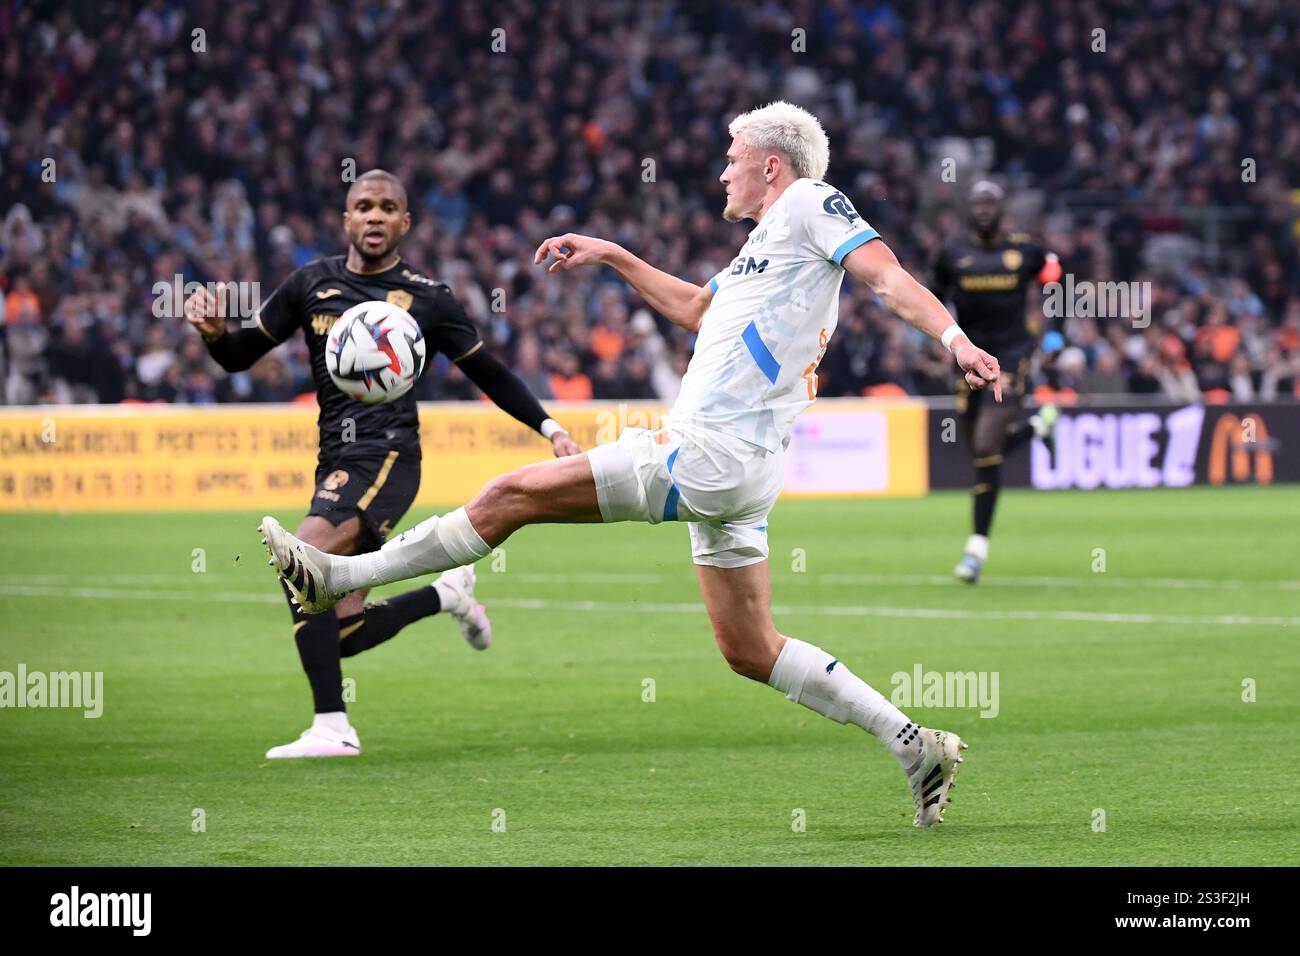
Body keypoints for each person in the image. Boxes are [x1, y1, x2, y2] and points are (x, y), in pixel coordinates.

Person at [259, 105, 1001, 827]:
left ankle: (342, 576)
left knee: (511, 494)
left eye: (733, 160)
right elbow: (692, 308)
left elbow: (886, 273)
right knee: (749, 649)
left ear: (771, 166)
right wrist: (611, 254)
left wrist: (955, 340)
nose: (722, 174)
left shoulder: (808, 201)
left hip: (709, 451)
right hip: (742, 469)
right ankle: (916, 745)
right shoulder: (765, 246)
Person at [185, 169, 580, 759]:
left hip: (391, 453)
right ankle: (446, 595)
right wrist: (216, 337)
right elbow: (242, 357)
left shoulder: (429, 298)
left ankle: (332, 727)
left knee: (304, 557)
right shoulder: (309, 284)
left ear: (405, 222)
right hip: (335, 459)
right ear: (346, 219)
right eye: (363, 206)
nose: (374, 216)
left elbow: (489, 372)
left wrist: (550, 428)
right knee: (339, 629)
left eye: (387, 207)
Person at [932, 180, 1060, 583]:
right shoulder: (952, 252)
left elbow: (1053, 280)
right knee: (981, 452)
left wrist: (1052, 331)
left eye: (990, 202)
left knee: (987, 448)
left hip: (1011, 356)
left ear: (1002, 208)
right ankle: (1038, 428)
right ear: (968, 209)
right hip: (968, 358)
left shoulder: (1026, 249)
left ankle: (975, 550)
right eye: (977, 203)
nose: (984, 209)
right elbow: (933, 298)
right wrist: (939, 343)